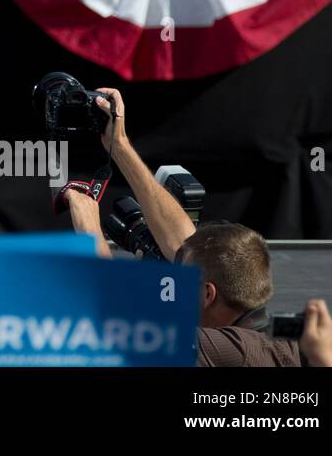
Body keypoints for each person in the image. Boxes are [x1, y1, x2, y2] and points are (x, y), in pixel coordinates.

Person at [87, 88, 300, 367]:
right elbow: (189, 245)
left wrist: (86, 221)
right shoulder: (277, 336)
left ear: (209, 294)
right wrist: (120, 145)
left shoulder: (223, 350)